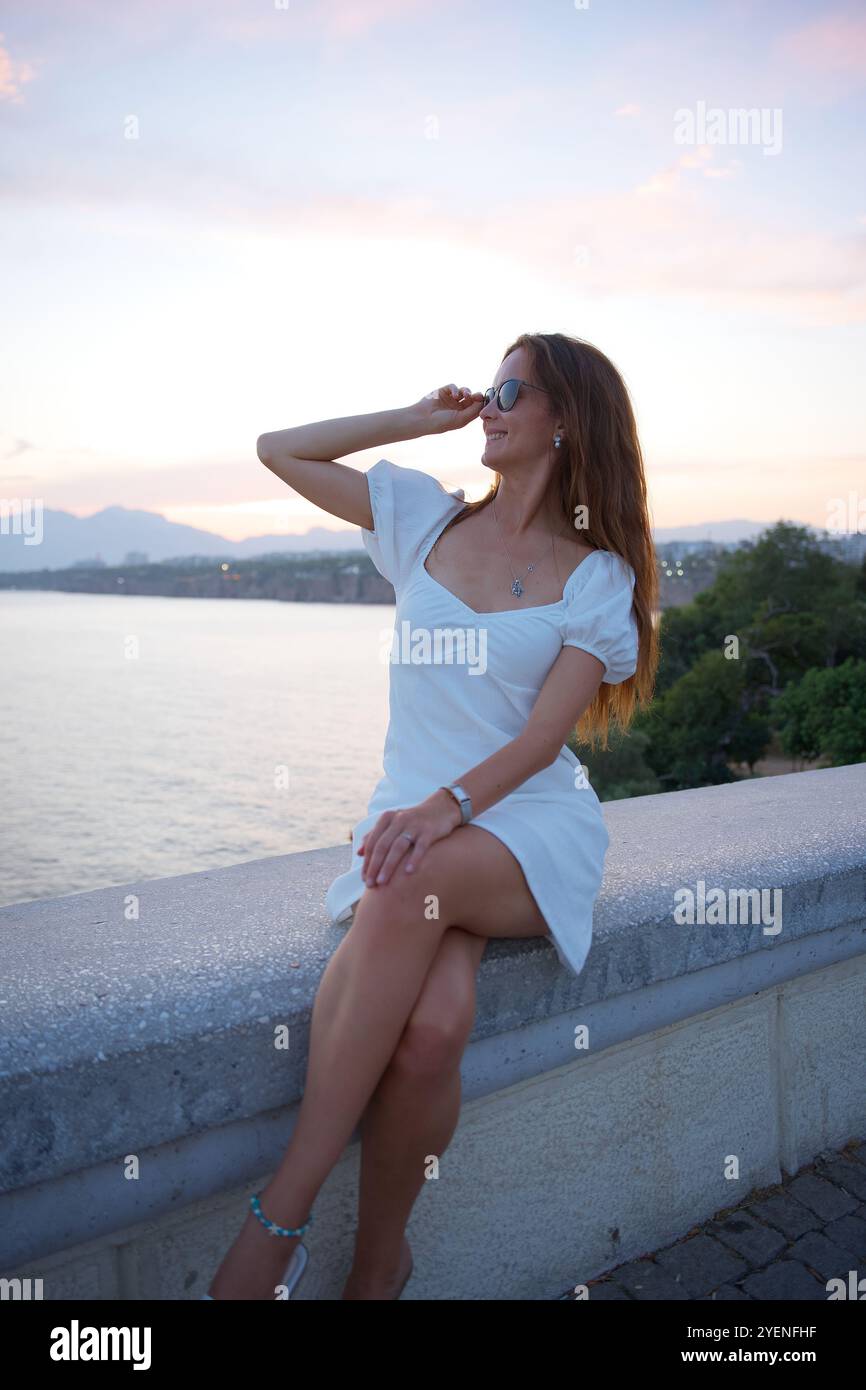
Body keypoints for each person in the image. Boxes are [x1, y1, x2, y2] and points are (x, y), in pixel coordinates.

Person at [203, 331, 659, 1300]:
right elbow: (279, 449)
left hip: (524, 824)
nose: (489, 405)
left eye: (511, 392)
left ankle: (278, 1219)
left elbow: (541, 739)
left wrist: (446, 808)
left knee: (412, 872)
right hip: (424, 826)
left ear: (566, 421)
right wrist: (416, 418)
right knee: (432, 1029)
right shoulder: (422, 519)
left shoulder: (595, 577)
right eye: (489, 388)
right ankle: (380, 1267)